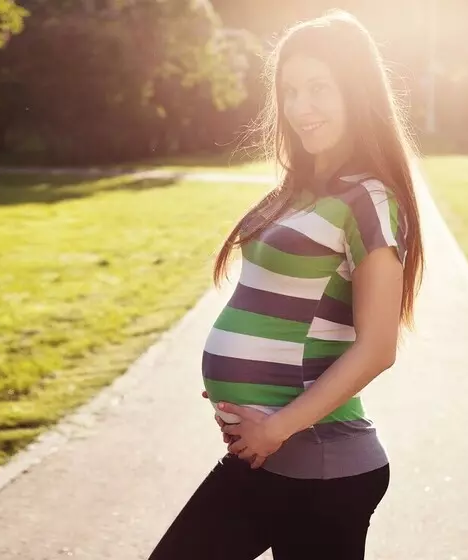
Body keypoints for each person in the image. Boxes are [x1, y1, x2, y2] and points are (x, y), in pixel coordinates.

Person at [147, 9, 424, 560]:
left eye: (320, 88)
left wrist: (276, 426)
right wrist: (244, 378)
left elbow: (378, 348)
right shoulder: (299, 189)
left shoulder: (368, 199)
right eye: (291, 91)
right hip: (272, 460)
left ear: (357, 91)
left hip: (319, 465)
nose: (302, 107)